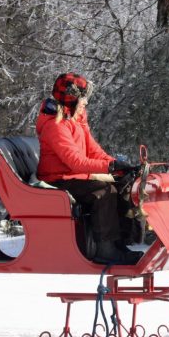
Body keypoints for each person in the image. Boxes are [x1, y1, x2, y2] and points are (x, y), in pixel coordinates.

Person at [35, 72, 142, 265]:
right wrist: (109, 166)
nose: (85, 104)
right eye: (82, 100)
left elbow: (93, 151)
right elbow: (75, 162)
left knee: (121, 185)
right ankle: (105, 249)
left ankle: (119, 244)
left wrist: (117, 167)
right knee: (103, 191)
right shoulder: (55, 126)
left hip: (73, 177)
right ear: (71, 101)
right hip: (57, 180)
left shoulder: (76, 122)